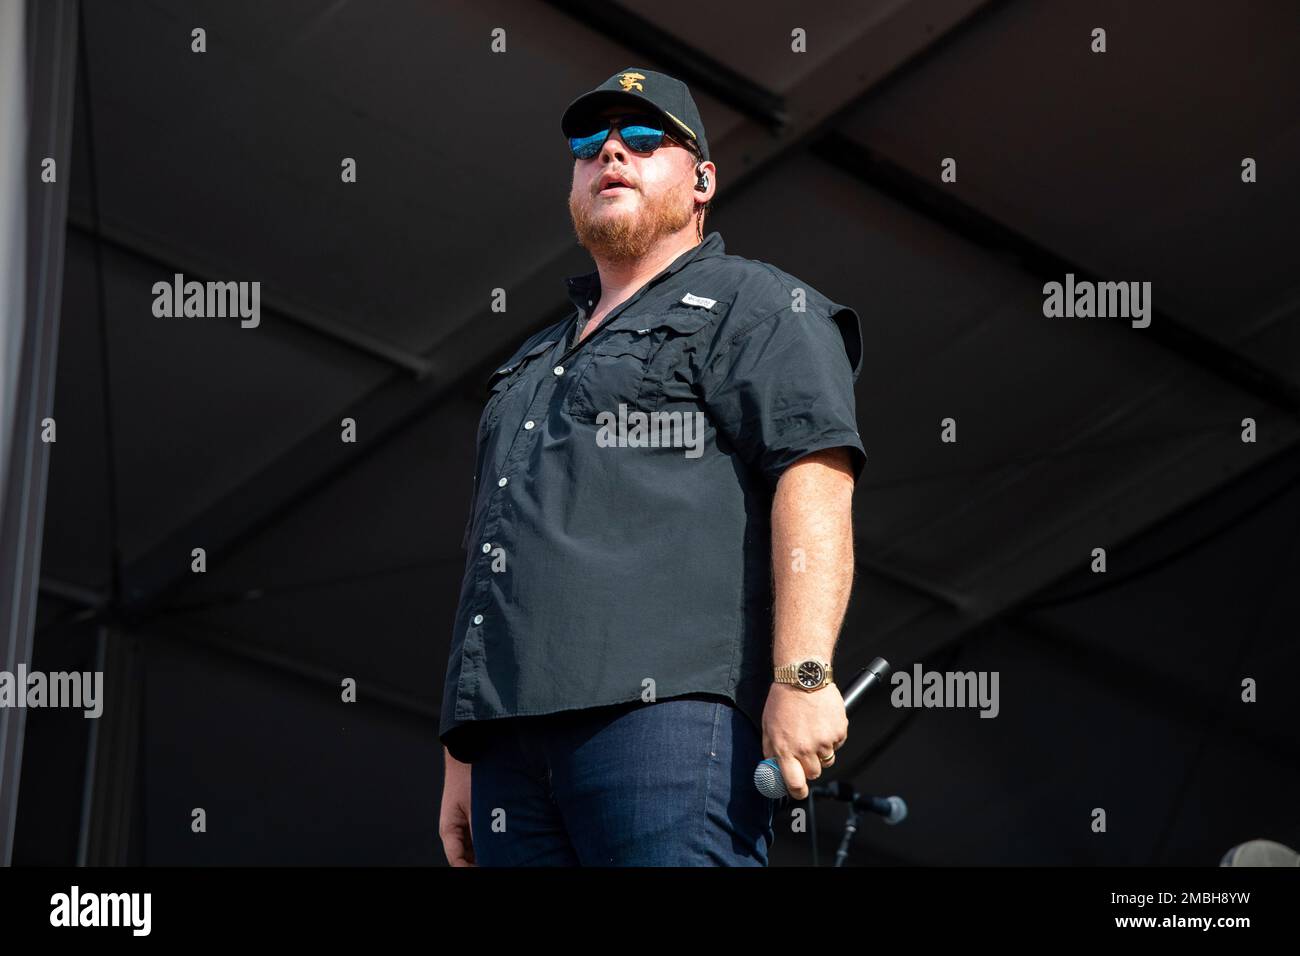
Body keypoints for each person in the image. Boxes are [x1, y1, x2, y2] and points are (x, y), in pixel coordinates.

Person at [437, 67, 867, 866]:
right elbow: (492, 560)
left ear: (703, 180)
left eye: (641, 138)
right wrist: (462, 754)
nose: (610, 154)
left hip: (663, 719)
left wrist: (804, 674)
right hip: (507, 742)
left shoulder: (756, 305)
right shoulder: (530, 363)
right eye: (589, 144)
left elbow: (813, 475)